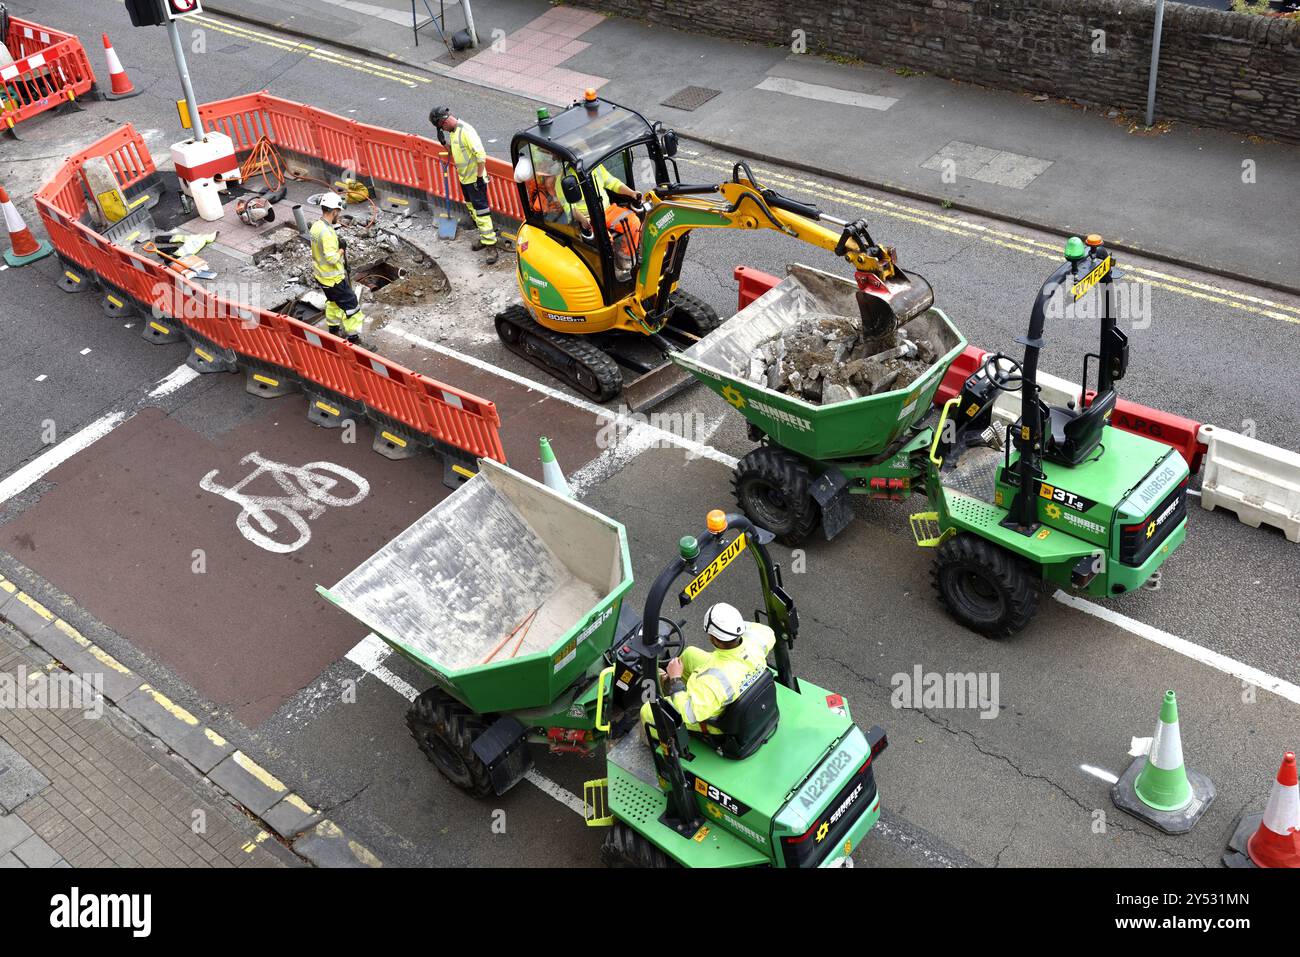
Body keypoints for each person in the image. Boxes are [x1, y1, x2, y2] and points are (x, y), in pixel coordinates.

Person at [640, 602, 776, 738]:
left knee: (647, 711)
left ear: (714, 640)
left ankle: (657, 741)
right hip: (736, 673)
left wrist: (675, 679)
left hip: (717, 721)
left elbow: (687, 713)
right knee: (689, 655)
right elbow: (768, 632)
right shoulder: (756, 641)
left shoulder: (714, 682)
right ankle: (671, 687)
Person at [430, 105, 498, 265]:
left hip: (475, 180)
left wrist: (479, 177)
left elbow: (481, 156)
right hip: (465, 180)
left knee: (482, 213)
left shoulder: (466, 131)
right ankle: (485, 238)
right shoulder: (454, 133)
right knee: (473, 211)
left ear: (443, 122)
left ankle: (491, 245)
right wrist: (443, 143)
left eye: (442, 128)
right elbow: (454, 153)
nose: (443, 130)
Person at [309, 192, 364, 343]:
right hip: (333, 279)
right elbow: (332, 258)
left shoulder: (316, 226)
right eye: (338, 213)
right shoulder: (327, 232)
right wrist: (341, 249)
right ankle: (353, 338)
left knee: (333, 303)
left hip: (322, 277)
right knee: (352, 305)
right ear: (334, 211)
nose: (338, 216)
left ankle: (333, 329)